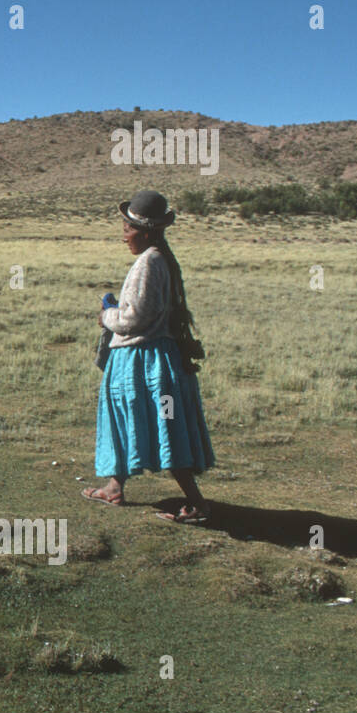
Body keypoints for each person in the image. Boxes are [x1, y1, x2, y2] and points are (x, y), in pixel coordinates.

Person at [82, 190, 214, 523]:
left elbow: (133, 319)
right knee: (141, 421)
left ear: (146, 230)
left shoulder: (150, 262)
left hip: (142, 359)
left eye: (128, 228)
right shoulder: (161, 258)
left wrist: (106, 317)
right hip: (152, 357)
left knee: (161, 425)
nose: (124, 234)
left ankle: (196, 502)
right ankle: (115, 486)